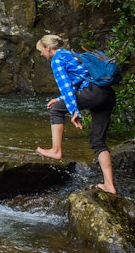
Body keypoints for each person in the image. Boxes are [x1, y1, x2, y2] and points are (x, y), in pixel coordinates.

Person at [34, 34, 118, 194]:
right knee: (98, 141)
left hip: (93, 93)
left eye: (41, 51)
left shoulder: (57, 59)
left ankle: (56, 150)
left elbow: (66, 86)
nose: (41, 54)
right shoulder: (71, 54)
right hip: (106, 94)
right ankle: (109, 185)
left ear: (48, 48)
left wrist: (72, 110)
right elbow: (78, 81)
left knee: (56, 109)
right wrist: (60, 99)